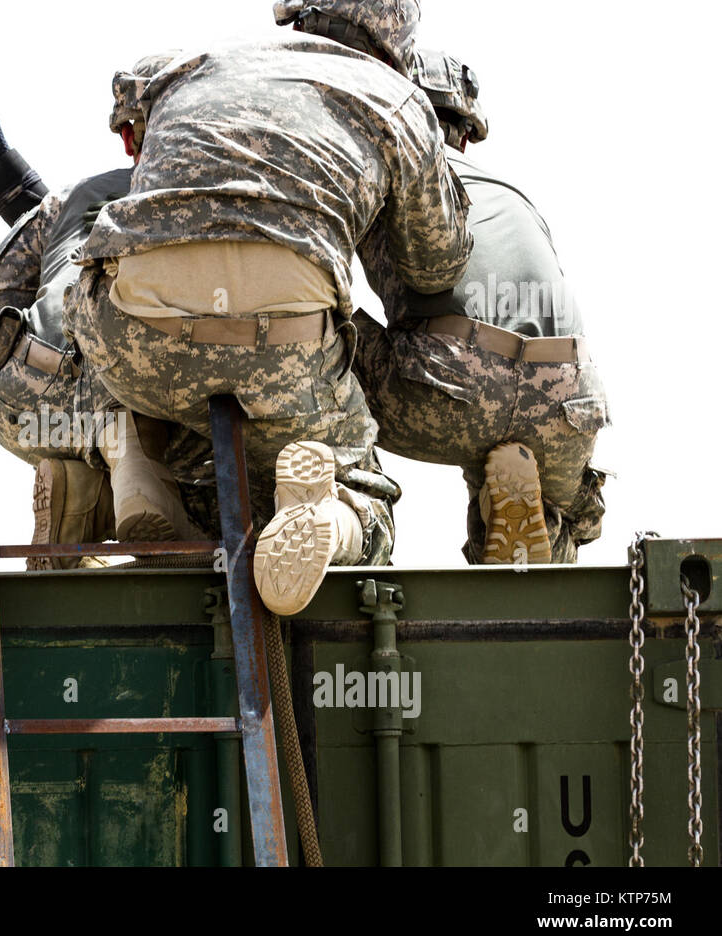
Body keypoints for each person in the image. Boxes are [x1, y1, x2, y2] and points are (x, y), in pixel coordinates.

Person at [64, 0, 472, 614]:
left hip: (133, 328)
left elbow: (136, 132)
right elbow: (435, 264)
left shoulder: (197, 61)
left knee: (95, 317)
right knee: (366, 493)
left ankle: (135, 462)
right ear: (400, 37)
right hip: (282, 347)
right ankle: (327, 515)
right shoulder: (398, 100)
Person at [353, 50, 610, 564]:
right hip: (568, 402)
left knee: (315, 336)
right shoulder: (513, 194)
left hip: (454, 385)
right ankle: (531, 545)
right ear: (465, 135)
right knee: (526, 480)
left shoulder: (389, 170)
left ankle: (340, 510)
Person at [0, 166, 211, 569]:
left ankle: (87, 494)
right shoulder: (233, 190)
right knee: (223, 500)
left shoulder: (75, 196)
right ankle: (132, 457)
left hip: (30, 410)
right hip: (151, 399)